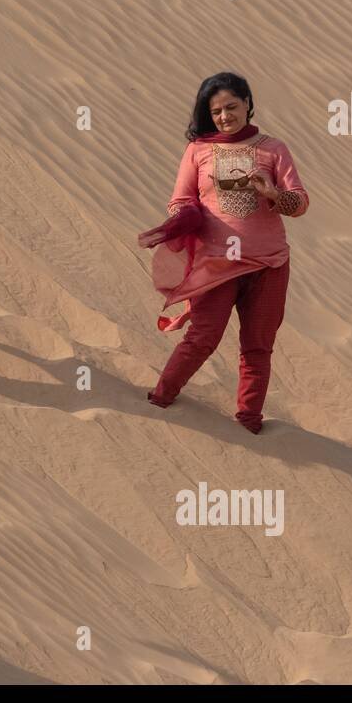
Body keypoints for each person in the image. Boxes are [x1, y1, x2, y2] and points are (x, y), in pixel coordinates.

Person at [139, 72, 310, 433]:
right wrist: (184, 217)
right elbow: (180, 200)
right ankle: (160, 399)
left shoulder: (273, 148)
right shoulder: (198, 150)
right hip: (217, 263)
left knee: (258, 346)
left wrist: (274, 195)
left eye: (231, 107)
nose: (224, 116)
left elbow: (300, 204)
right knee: (202, 338)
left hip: (269, 263)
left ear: (248, 103)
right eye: (215, 111)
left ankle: (249, 421)